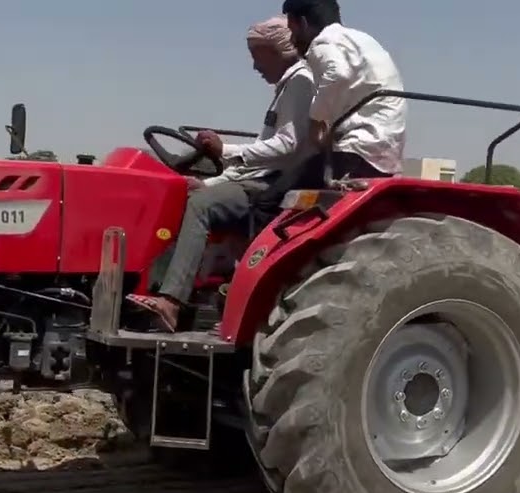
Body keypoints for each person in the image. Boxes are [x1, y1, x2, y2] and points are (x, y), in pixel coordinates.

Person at [126, 16, 315, 333]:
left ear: (277, 50)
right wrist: (211, 181)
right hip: (261, 177)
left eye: (257, 56)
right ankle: (158, 287)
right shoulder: (287, 87)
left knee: (202, 205)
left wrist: (224, 151)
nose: (255, 67)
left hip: (274, 185)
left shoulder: (300, 82)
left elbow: (287, 145)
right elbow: (262, 153)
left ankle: (171, 301)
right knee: (188, 193)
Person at [255, 0, 405, 214]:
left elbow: (337, 73)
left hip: (353, 152)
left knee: (265, 203)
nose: (292, 39)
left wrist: (317, 121)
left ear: (304, 23)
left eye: (292, 30)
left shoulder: (323, 42)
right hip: (385, 151)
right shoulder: (364, 40)